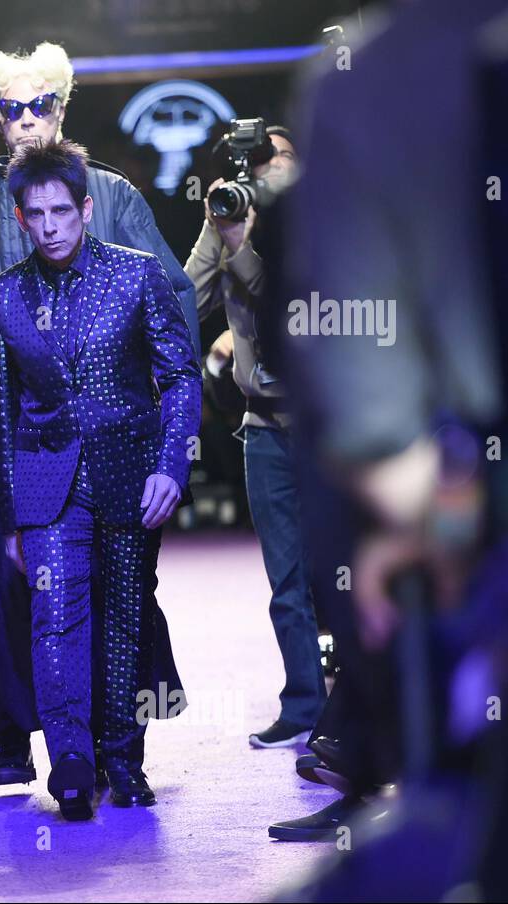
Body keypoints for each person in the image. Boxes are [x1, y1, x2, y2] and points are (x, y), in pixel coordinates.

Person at [0, 41, 199, 789]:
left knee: (120, 582)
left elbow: (169, 302)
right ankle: (16, 725)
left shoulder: (112, 195)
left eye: (42, 103)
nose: (27, 118)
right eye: (11, 107)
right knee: (15, 576)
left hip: (112, 418)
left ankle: (117, 736)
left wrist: (165, 422)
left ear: (63, 108)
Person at [0, 140, 201, 820]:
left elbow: (181, 373)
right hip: (47, 480)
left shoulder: (135, 277)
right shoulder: (1, 298)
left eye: (61, 211)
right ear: (19, 216)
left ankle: (124, 758)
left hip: (132, 471)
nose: (50, 226)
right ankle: (71, 763)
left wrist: (172, 464)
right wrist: (12, 516)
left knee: (127, 614)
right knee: (55, 614)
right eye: (36, 213)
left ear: (86, 207)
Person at [184, 125, 327, 747]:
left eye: (281, 158)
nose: (268, 171)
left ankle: (360, 715)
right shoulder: (231, 220)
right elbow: (184, 302)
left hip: (327, 428)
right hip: (264, 427)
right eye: (258, 163)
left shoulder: (321, 219)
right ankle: (305, 704)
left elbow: (290, 307)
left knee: (343, 572)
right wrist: (217, 227)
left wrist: (240, 244)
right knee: (286, 580)